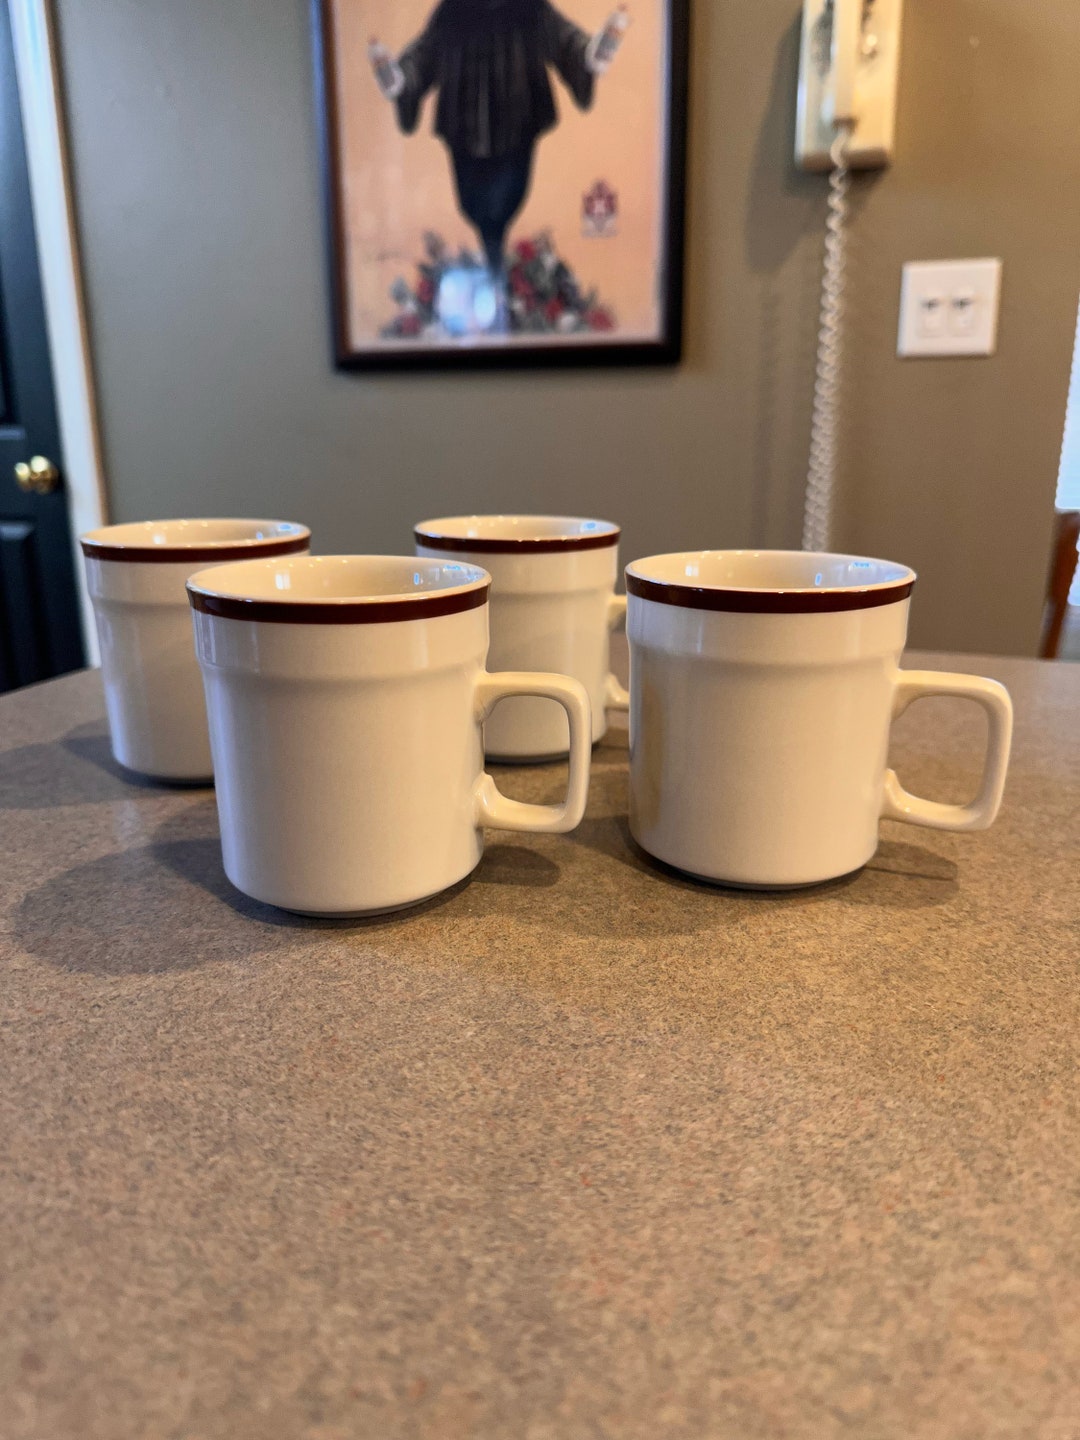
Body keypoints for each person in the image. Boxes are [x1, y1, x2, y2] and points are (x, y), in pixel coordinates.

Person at [370, 1, 628, 279]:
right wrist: (401, 80)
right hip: (464, 128)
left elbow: (562, 37)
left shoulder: (529, 7)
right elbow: (425, 53)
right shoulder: (453, 10)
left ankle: (496, 270)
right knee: (474, 205)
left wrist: (588, 58)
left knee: (506, 201)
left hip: (516, 124)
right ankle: (494, 270)